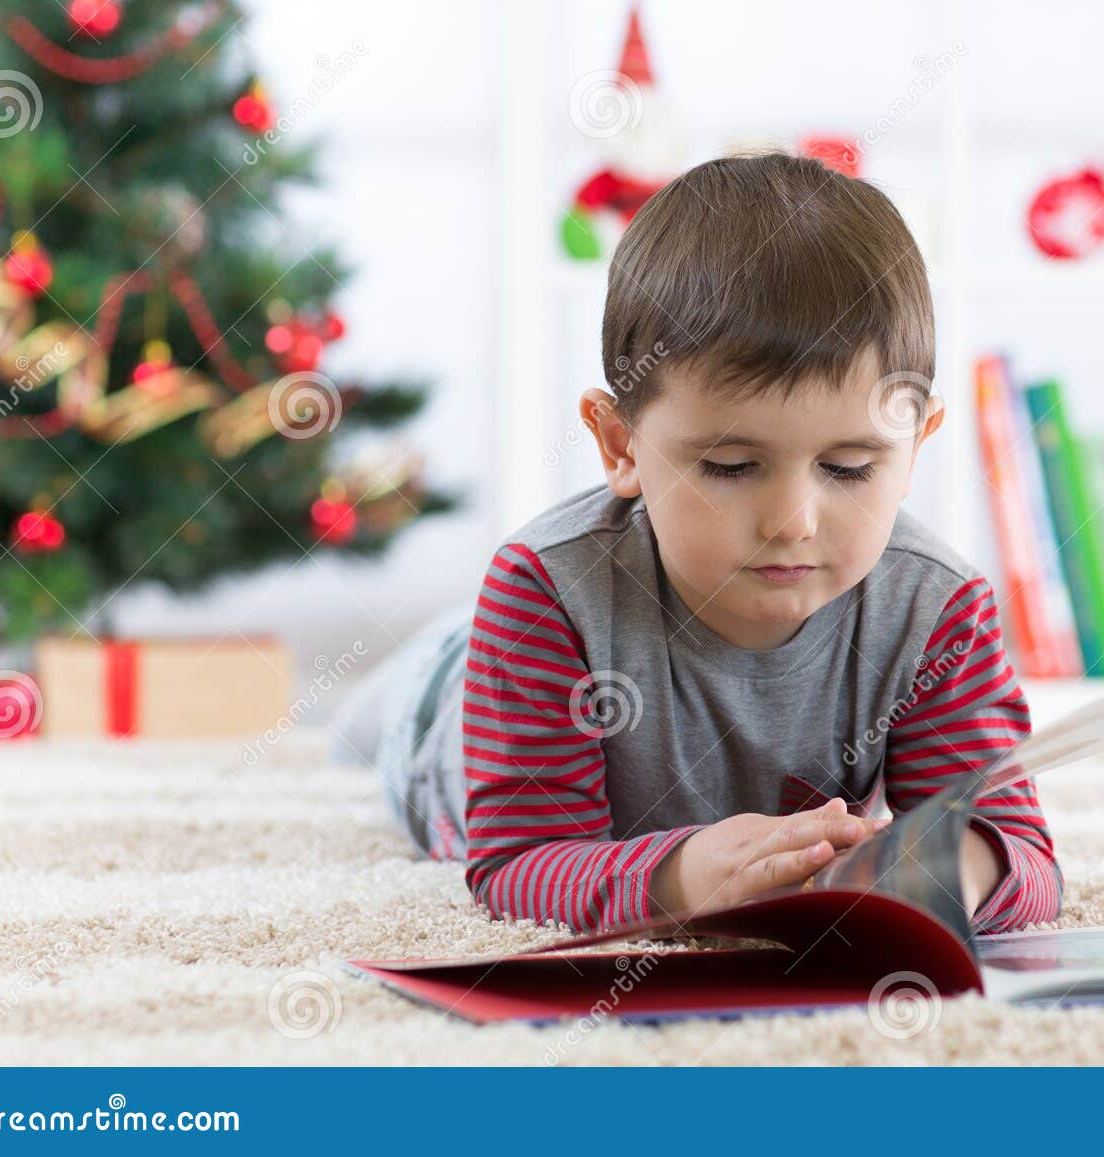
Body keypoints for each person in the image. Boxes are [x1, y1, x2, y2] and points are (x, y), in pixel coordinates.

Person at [332, 151, 1061, 937]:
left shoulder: (937, 608)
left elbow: (1027, 856)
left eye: (849, 467)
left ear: (915, 445)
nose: (793, 521)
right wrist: (682, 876)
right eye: (731, 466)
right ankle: (428, 662)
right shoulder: (545, 591)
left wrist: (959, 866)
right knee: (381, 711)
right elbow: (517, 865)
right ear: (620, 445)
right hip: (440, 718)